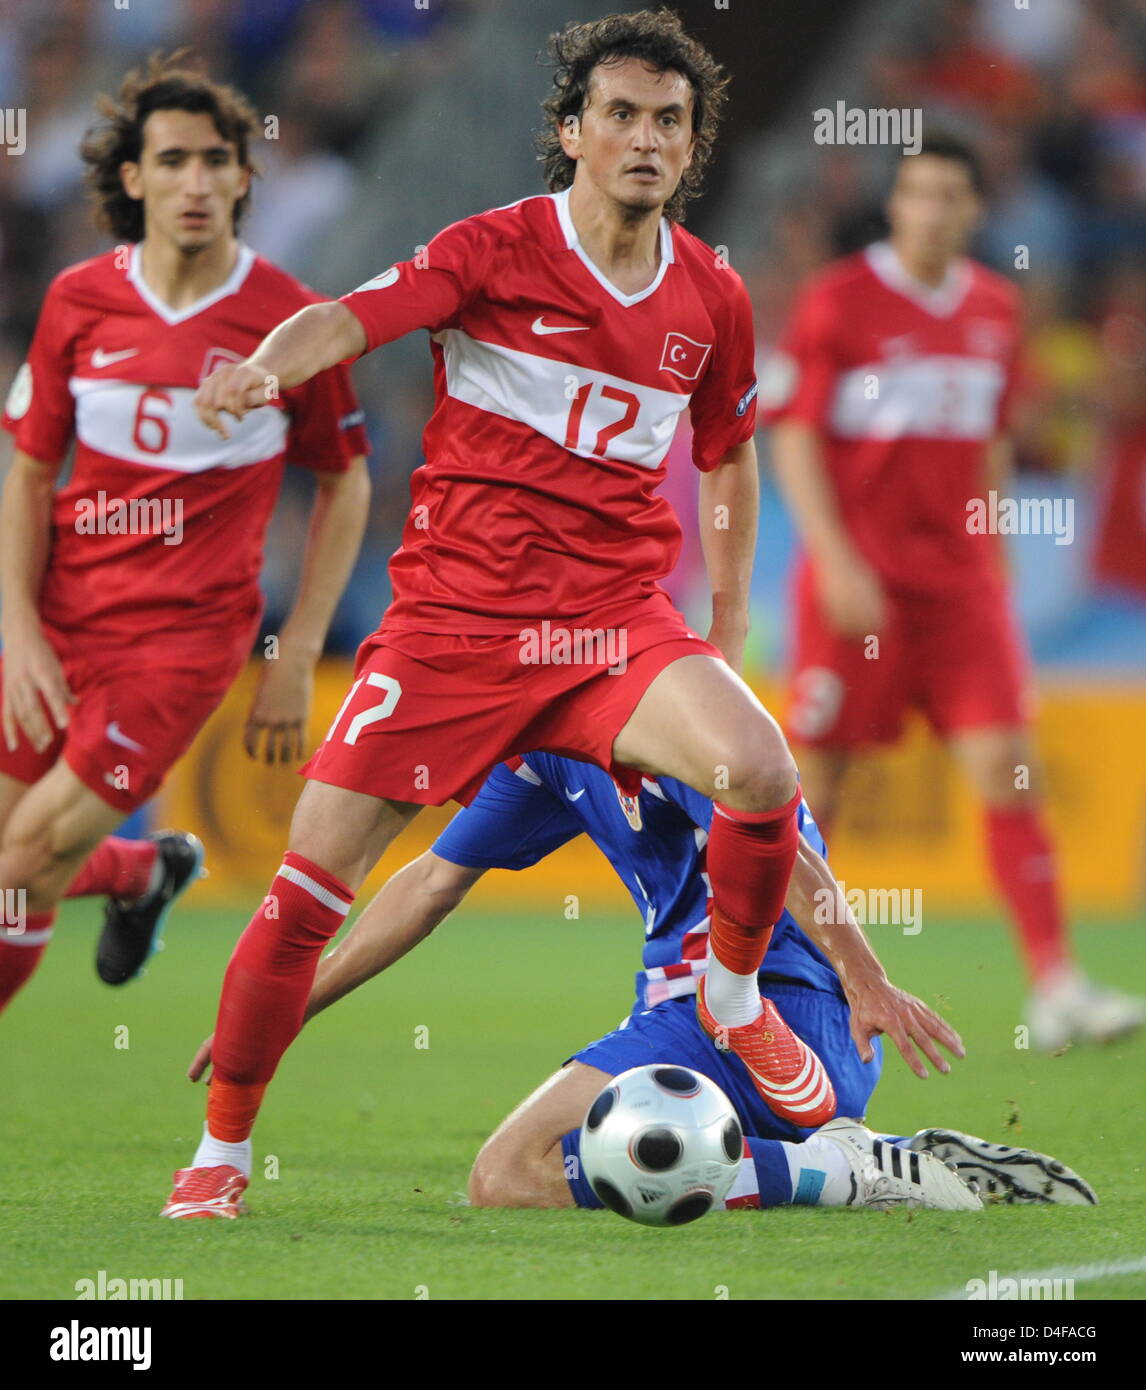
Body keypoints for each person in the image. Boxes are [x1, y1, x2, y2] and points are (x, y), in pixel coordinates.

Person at [164, 8, 840, 1215]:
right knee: (306, 891)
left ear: (692, 147)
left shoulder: (712, 298)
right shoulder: (489, 249)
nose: (644, 139)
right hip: (454, 626)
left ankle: (732, 997)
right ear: (572, 132)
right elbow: (347, 317)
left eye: (668, 122)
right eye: (621, 116)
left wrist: (726, 626)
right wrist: (267, 367)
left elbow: (730, 453)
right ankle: (218, 1155)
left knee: (757, 767)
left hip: (611, 625)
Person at [174, 753, 1096, 1218]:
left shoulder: (668, 721)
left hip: (776, 1015)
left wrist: (867, 973)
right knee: (524, 1170)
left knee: (508, 1176)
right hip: (732, 1035)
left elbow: (776, 834)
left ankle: (841, 1170)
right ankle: (847, 1158)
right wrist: (291, 1005)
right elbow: (428, 884)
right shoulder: (555, 753)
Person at [0, 55, 370, 1010]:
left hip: (180, 643)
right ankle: (135, 872)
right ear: (134, 178)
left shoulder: (289, 319)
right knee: (11, 878)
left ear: (247, 176)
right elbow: (31, 476)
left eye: (217, 160)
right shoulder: (80, 301)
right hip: (60, 618)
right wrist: (22, 633)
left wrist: (295, 659)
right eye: (172, 161)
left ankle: (126, 871)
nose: (196, 182)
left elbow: (346, 482)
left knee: (21, 861)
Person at [763, 136, 1144, 1051]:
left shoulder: (994, 308)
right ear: (896, 204)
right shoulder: (839, 300)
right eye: (916, 193)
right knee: (818, 791)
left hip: (961, 590)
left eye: (949, 196)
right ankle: (765, 982)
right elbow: (797, 438)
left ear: (975, 211)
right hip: (858, 586)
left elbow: (992, 439)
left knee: (1008, 768)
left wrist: (997, 536)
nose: (931, 210)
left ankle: (1056, 985)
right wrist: (837, 560)